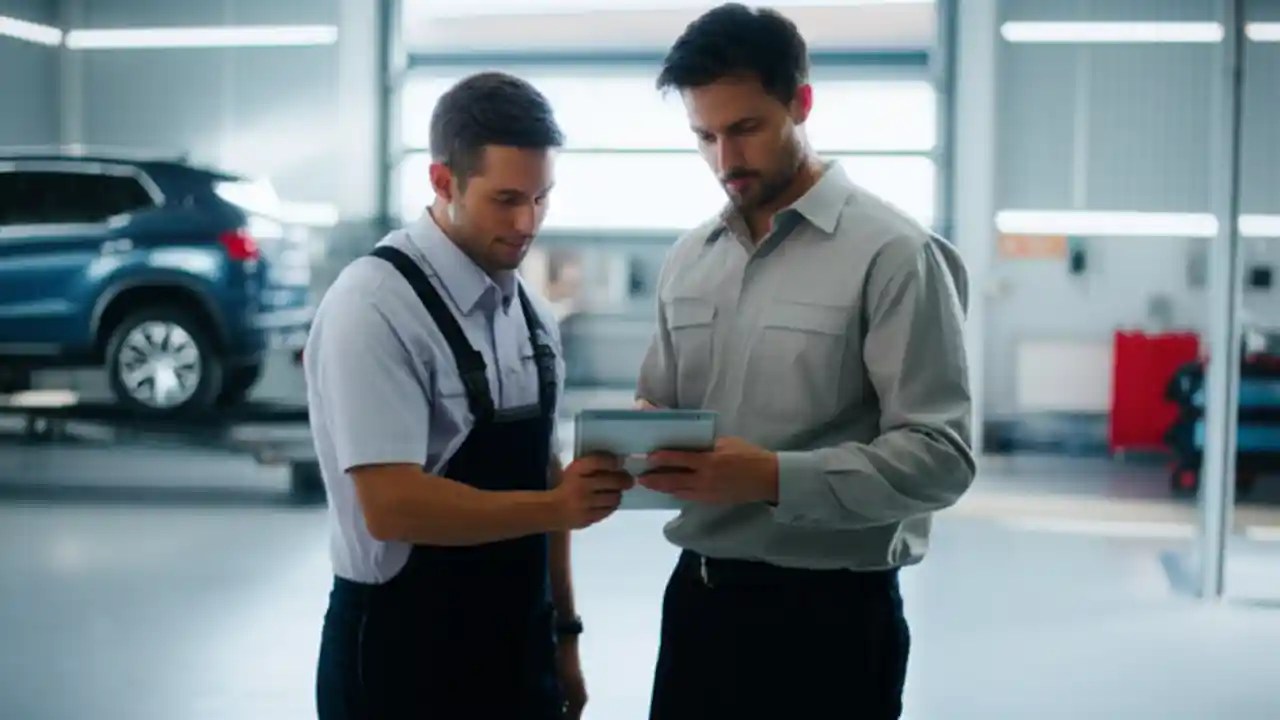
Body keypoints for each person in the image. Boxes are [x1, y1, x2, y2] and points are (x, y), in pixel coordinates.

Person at [634, 4, 976, 719]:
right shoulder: (688, 259)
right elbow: (658, 407)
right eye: (704, 137)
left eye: (746, 129)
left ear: (801, 102)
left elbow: (941, 456)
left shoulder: (894, 255)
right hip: (698, 606)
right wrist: (637, 443)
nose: (725, 160)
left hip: (832, 624)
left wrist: (770, 477)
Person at [305, 71, 633, 720]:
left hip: (518, 649)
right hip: (402, 658)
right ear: (442, 182)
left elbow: (546, 484)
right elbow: (393, 507)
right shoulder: (375, 307)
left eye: (542, 198)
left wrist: (564, 639)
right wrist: (554, 506)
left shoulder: (531, 314)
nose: (527, 222)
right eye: (506, 199)